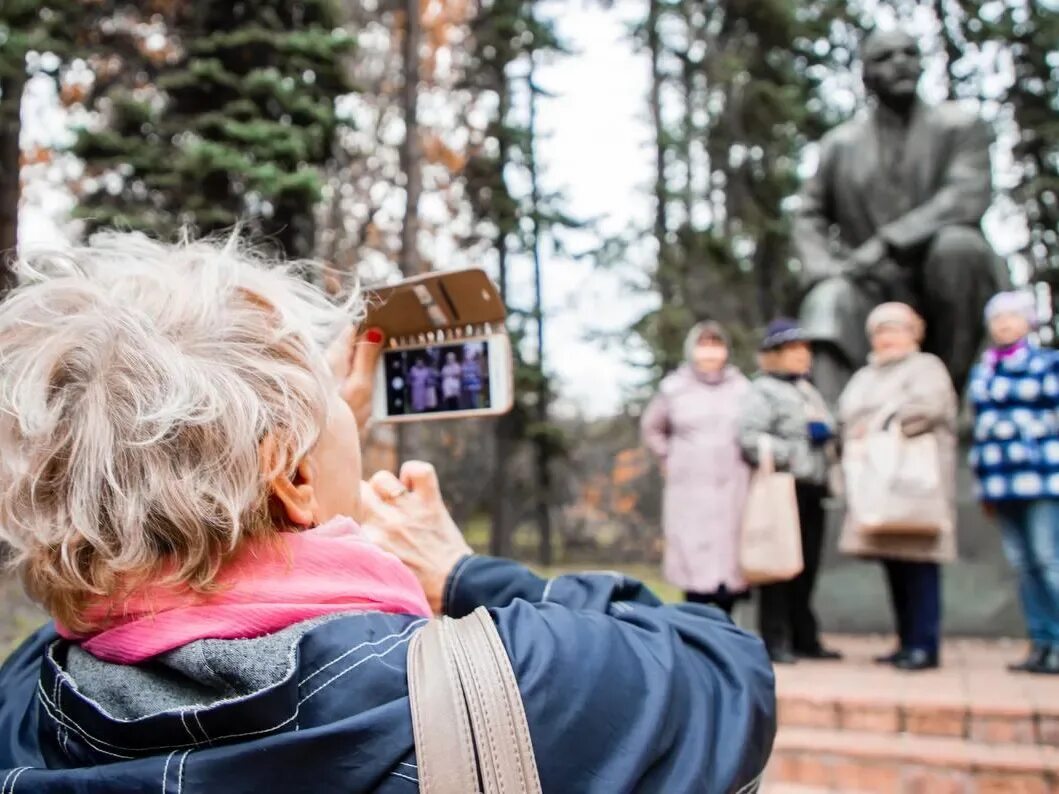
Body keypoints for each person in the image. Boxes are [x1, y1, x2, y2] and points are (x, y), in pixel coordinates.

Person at [0, 232, 776, 792]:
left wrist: (301, 453)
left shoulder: (28, 695)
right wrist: (460, 571)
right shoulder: (497, 688)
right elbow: (723, 668)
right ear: (291, 475)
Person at [793, 27, 1004, 406]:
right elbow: (809, 214)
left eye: (909, 53)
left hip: (942, 278)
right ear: (865, 75)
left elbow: (965, 196)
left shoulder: (959, 125)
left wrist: (888, 243)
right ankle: (837, 427)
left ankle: (957, 399)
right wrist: (824, 266)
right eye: (885, 58)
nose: (900, 63)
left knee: (959, 248)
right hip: (870, 284)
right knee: (828, 298)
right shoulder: (840, 144)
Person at [837, 303, 958, 671]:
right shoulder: (864, 376)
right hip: (876, 484)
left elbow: (929, 409)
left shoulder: (927, 368)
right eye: (881, 331)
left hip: (913, 482)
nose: (888, 338)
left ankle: (925, 643)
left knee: (920, 566)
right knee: (895, 566)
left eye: (896, 329)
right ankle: (906, 639)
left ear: (913, 332)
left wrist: (877, 423)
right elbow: (845, 414)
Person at [738, 319, 842, 664]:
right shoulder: (762, 390)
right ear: (774, 355)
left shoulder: (808, 390)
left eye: (804, 350)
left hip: (814, 487)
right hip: (784, 487)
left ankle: (805, 636)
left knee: (808, 566)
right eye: (793, 350)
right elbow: (750, 438)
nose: (802, 356)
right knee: (780, 565)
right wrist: (794, 449)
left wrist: (829, 435)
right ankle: (775, 638)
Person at [969, 291, 1059, 675]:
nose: (1004, 324)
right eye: (997, 318)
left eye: (1012, 316)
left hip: (1041, 479)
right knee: (1023, 566)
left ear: (1028, 322)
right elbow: (979, 429)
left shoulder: (1047, 363)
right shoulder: (984, 369)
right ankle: (1041, 642)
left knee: (1048, 560)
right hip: (1000, 482)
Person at [641, 321, 751, 615]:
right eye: (704, 346)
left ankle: (729, 628)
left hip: (733, 485)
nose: (710, 353)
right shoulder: (674, 388)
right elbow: (652, 428)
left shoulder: (742, 389)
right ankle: (696, 624)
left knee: (731, 557)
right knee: (693, 554)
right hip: (690, 486)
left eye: (716, 345)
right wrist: (669, 458)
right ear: (692, 350)